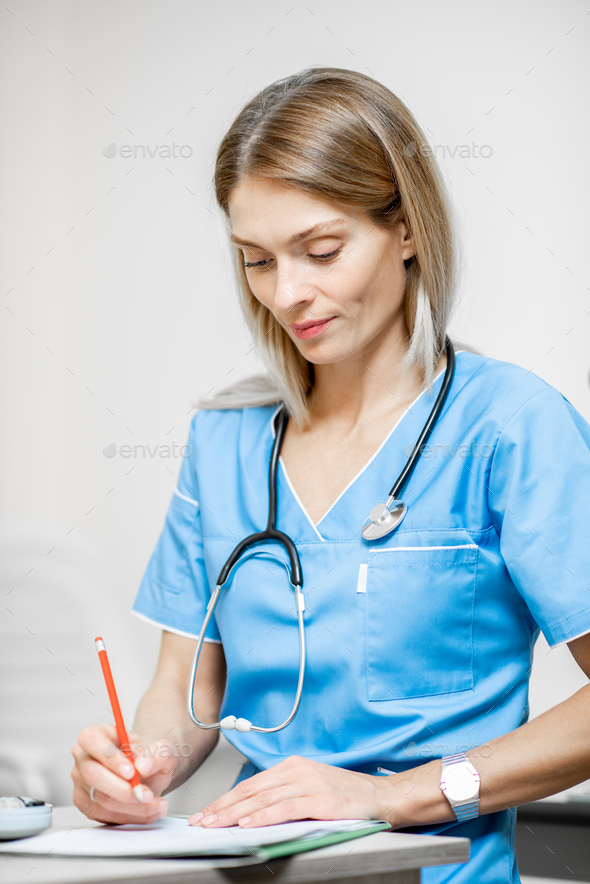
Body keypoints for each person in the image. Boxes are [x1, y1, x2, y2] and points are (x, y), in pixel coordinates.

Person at [71, 67, 590, 883]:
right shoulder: (226, 441)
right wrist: (142, 768)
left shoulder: (512, 427)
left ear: (408, 229)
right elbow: (183, 692)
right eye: (257, 261)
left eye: (321, 251)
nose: (288, 294)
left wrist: (395, 797)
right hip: (250, 864)